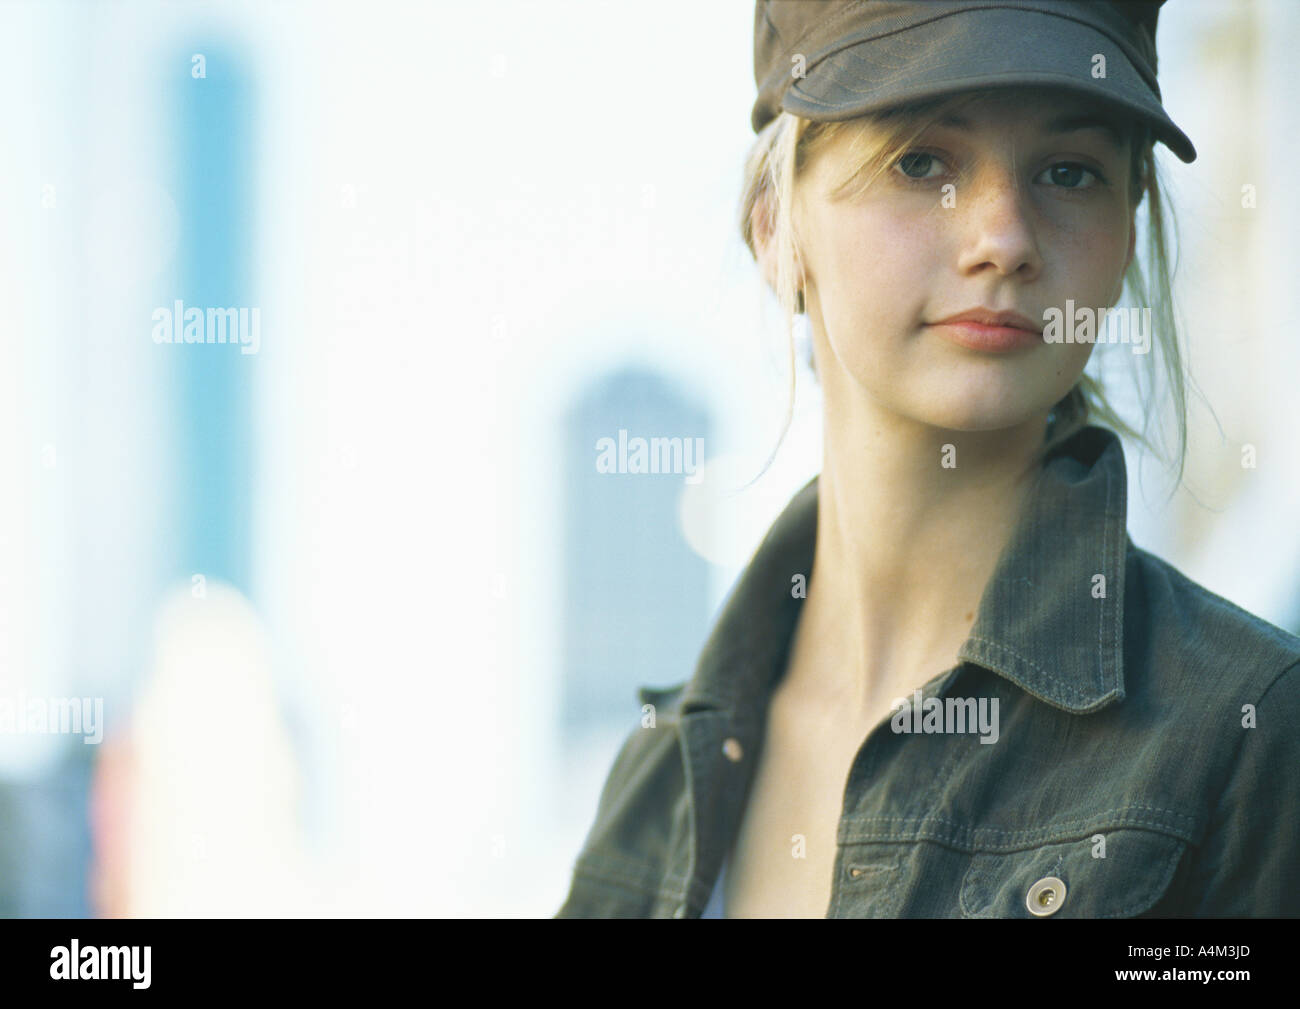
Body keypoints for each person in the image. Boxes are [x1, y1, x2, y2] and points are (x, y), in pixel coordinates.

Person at [555, 0, 1300, 918]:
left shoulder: (1247, 732)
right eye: (921, 161)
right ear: (775, 229)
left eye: (1069, 173)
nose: (1006, 238)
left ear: (1127, 239)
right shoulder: (656, 777)